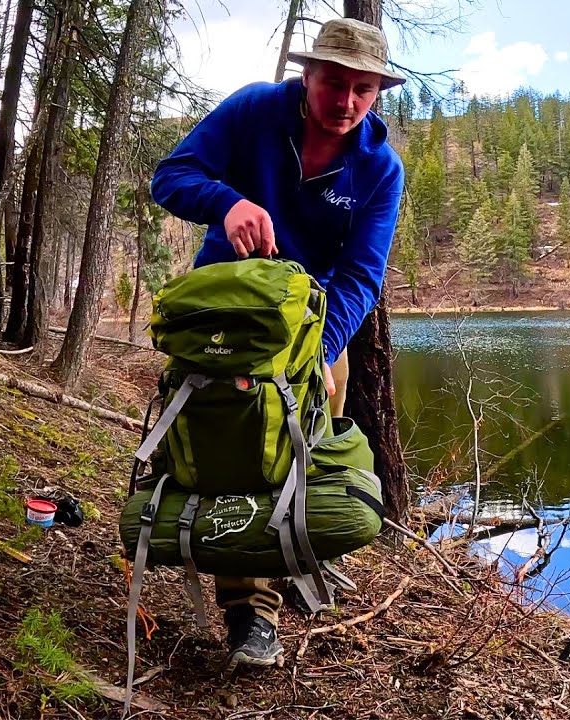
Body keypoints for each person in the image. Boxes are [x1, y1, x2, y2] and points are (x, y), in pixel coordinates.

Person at [149, 18, 406, 672]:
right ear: (307, 75)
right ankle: (249, 611)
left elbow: (361, 275)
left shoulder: (380, 168)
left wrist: (316, 350)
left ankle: (289, 548)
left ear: (378, 90)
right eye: (334, 83)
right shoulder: (253, 111)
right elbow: (170, 176)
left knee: (304, 447)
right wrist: (226, 202)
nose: (346, 101)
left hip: (313, 322)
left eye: (363, 88)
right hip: (225, 314)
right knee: (234, 450)